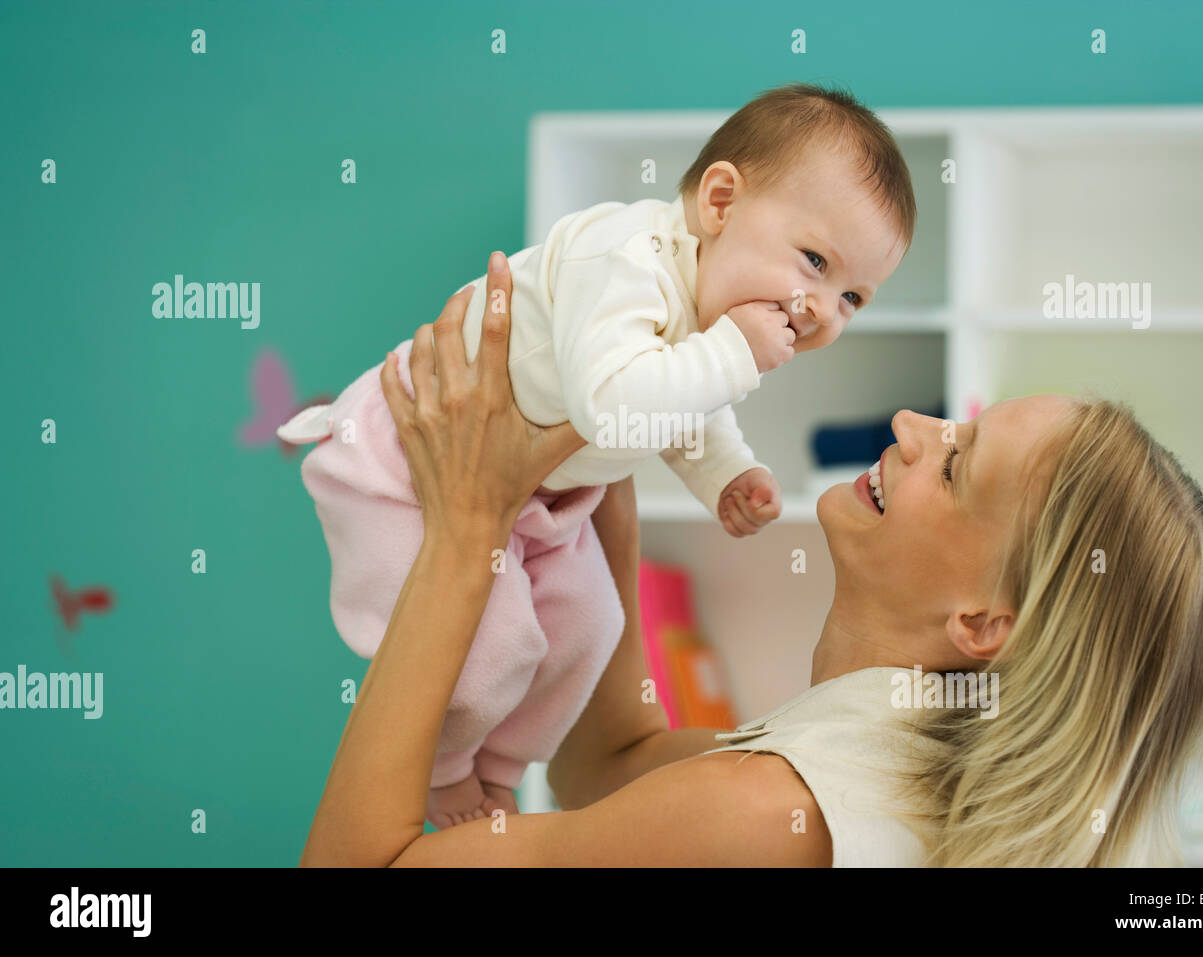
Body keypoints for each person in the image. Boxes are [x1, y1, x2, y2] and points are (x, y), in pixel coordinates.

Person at [300, 251, 1203, 867]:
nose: (914, 428)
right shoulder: (895, 784)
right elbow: (613, 765)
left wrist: (468, 532)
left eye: (957, 466)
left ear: (986, 623)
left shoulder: (762, 817)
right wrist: (606, 452)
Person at [278, 82, 914, 826]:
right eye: (815, 261)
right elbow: (616, 404)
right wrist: (736, 352)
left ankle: (500, 762)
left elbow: (683, 406)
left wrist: (725, 473)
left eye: (853, 299)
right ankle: (444, 770)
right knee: (497, 643)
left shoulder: (702, 313)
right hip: (411, 463)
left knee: (592, 623)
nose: (821, 311)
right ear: (719, 202)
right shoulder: (622, 260)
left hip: (532, 499)